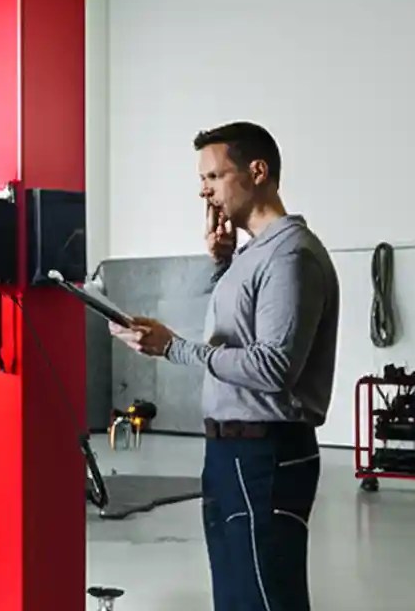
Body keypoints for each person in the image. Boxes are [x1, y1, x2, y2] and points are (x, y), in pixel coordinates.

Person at [110, 121, 339, 611]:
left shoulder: (291, 255)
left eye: (213, 176)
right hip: (233, 451)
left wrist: (174, 348)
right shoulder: (252, 256)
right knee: (236, 596)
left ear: (257, 172)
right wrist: (221, 263)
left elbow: (274, 366)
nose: (204, 191)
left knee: (264, 597)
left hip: (267, 453)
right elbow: (228, 337)